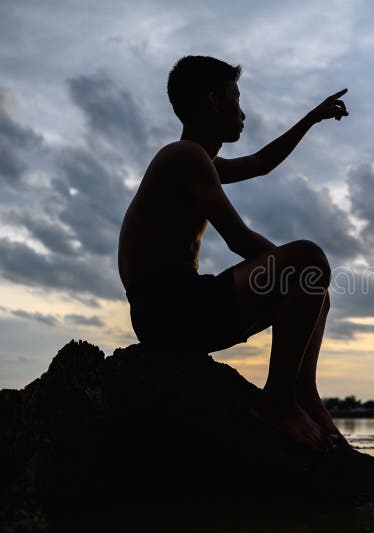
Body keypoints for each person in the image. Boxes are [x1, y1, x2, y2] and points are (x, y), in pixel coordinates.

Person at [117, 55, 349, 452]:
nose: (242, 112)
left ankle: (301, 392)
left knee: (313, 282)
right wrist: (297, 271)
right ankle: (276, 403)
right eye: (236, 98)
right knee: (309, 260)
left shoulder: (198, 160)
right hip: (167, 309)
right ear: (213, 101)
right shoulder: (183, 156)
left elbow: (261, 163)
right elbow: (239, 240)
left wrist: (310, 119)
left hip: (178, 306)